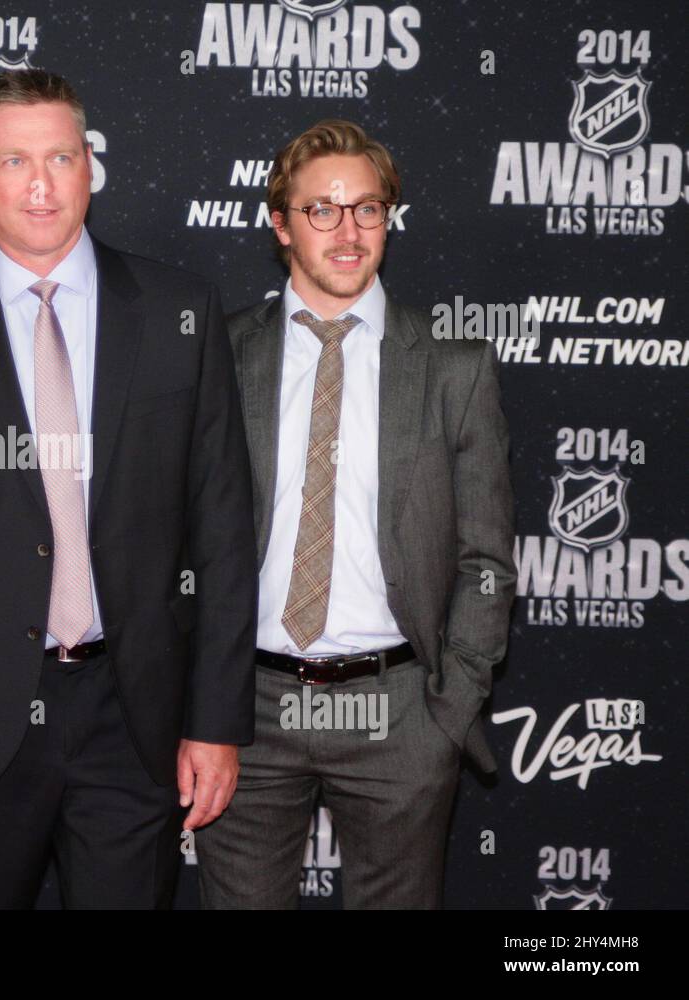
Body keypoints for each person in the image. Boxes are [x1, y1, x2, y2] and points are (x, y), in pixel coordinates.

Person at [0, 68, 256, 909]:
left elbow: (222, 532)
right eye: (12, 161)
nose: (39, 184)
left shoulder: (180, 313)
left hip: (137, 720)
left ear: (90, 166)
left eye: (60, 157)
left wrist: (218, 722)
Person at [197, 119, 515, 908]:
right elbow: (178, 540)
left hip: (401, 714)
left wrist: (448, 712)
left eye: (367, 209)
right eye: (323, 211)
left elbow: (486, 559)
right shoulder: (220, 355)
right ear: (281, 224)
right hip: (246, 715)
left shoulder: (453, 368)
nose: (348, 231)